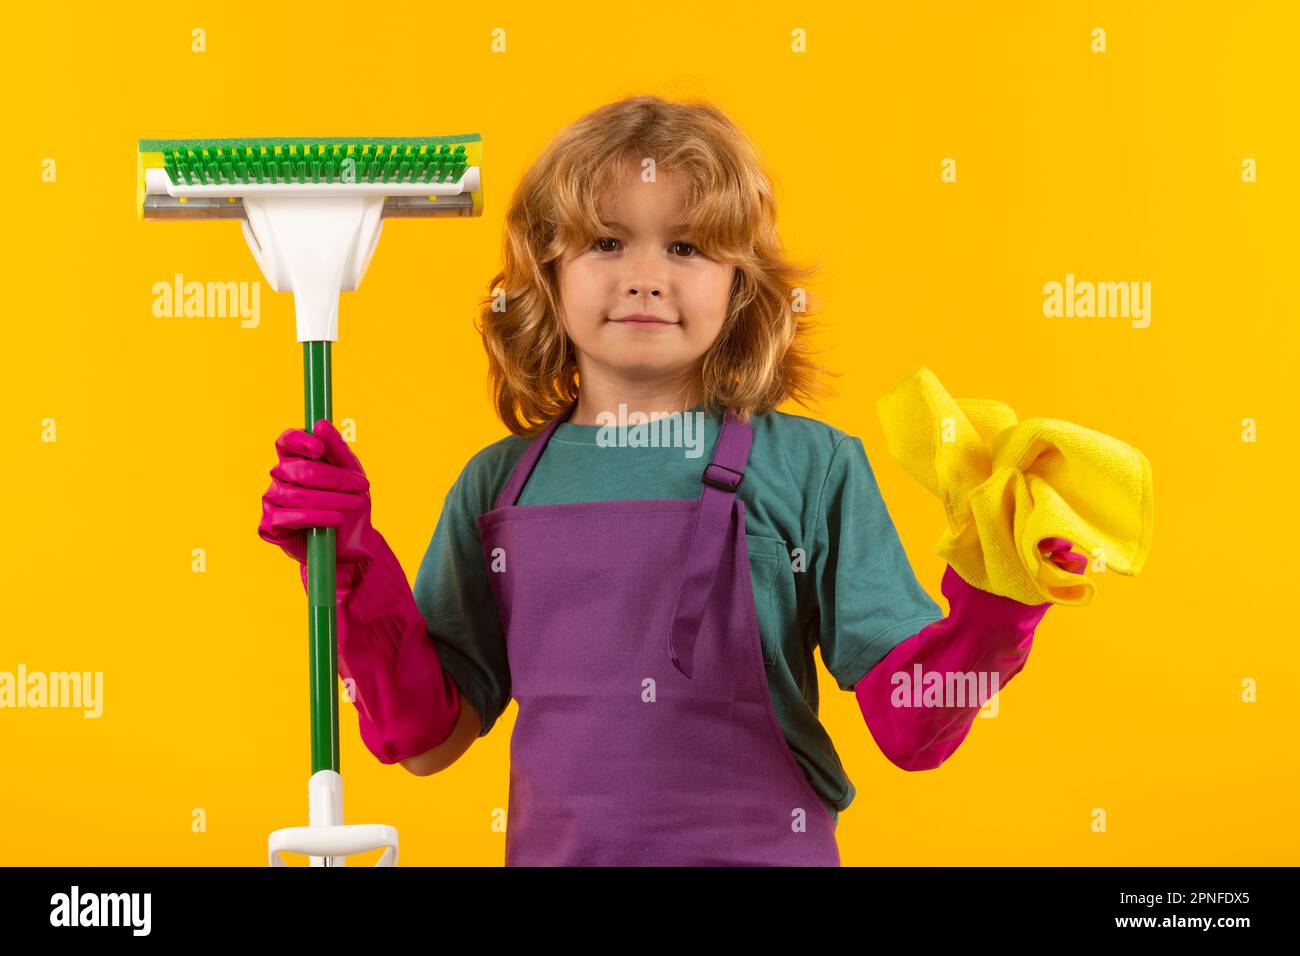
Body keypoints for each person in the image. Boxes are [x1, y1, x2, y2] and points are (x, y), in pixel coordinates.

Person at [258, 95, 1086, 866]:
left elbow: (912, 730)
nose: (645, 276)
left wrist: (997, 605)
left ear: (741, 285)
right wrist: (352, 568)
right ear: (548, 276)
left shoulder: (812, 467)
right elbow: (429, 738)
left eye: (686, 246)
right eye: (607, 242)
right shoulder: (498, 486)